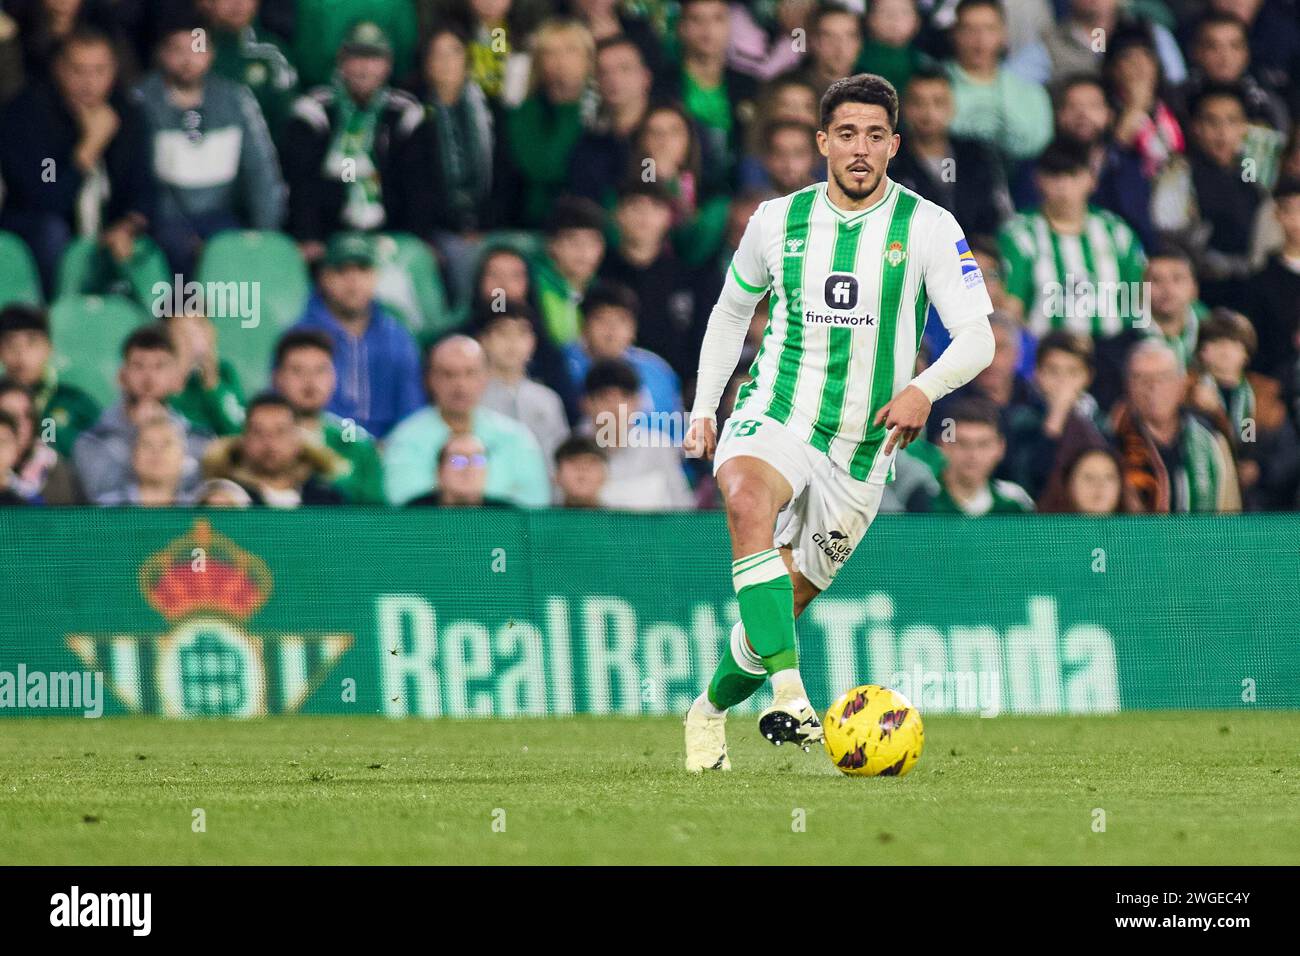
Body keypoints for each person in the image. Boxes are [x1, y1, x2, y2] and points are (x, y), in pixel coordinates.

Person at [680, 73, 995, 771]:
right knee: (745, 498)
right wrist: (705, 409)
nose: (860, 149)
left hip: (863, 448)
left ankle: (706, 711)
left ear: (894, 145)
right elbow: (732, 313)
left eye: (874, 136)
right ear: (822, 142)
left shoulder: (928, 227)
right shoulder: (775, 220)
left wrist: (923, 388)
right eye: (846, 134)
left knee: (781, 605)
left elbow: (978, 338)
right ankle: (791, 696)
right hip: (777, 410)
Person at [0, 27, 155, 294]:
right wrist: (88, 150)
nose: (89, 83)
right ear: (58, 69)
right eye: (78, 71)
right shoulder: (27, 116)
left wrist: (128, 225)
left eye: (99, 71)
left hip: (107, 228)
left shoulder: (127, 114)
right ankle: (51, 313)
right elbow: (45, 198)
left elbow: (142, 187)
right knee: (52, 231)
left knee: (167, 234)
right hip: (36, 228)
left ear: (114, 71)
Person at [132, 19, 285, 274]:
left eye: (197, 48)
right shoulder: (142, 101)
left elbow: (261, 170)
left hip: (221, 217)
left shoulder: (235, 98)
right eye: (177, 50)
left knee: (233, 255)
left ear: (211, 53)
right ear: (161, 54)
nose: (187, 59)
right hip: (165, 221)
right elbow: (138, 177)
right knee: (176, 250)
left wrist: (266, 234)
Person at [282, 21, 436, 257]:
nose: (364, 68)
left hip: (389, 235)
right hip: (327, 237)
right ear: (341, 61)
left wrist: (417, 239)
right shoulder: (313, 110)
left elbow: (418, 186)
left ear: (388, 64)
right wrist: (308, 236)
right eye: (356, 57)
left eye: (374, 58)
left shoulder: (406, 113)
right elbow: (301, 183)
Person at [998, 140, 1146, 336]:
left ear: (1092, 180)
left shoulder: (1117, 232)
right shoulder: (1019, 235)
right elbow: (1010, 306)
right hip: (1044, 355)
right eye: (1054, 176)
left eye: (1073, 175)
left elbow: (1138, 301)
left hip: (1111, 353)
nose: (1063, 186)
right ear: (1037, 180)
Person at [383, 335, 550, 507]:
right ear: (430, 380)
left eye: (470, 373)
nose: (460, 384)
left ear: (486, 377)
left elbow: (534, 505)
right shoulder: (406, 438)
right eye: (449, 374)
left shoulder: (517, 437)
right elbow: (402, 503)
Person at [289, 232, 424, 439]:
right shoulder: (299, 336)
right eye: (342, 271)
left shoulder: (397, 335)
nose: (353, 281)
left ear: (375, 276)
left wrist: (395, 446)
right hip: (319, 446)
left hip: (387, 451)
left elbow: (411, 408)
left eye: (362, 270)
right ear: (324, 277)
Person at [73, 325, 209, 503]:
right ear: (121, 376)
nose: (149, 378)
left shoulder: (198, 441)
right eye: (139, 366)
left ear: (176, 378)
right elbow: (102, 503)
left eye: (159, 366)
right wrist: (137, 433)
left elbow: (201, 504)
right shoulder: (92, 442)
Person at [1109, 339, 1242, 512]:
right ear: (1128, 386)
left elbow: (1231, 511)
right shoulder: (1111, 440)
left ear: (1181, 383)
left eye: (1163, 377)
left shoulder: (1211, 440)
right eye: (1141, 378)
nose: (1153, 387)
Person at [270, 329, 385, 504]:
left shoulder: (357, 445)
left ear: (334, 377)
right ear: (277, 377)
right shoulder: (258, 438)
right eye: (297, 370)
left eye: (320, 370)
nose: (310, 381)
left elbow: (376, 512)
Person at [578, 357, 694, 511]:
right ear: (586, 404)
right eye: (605, 398)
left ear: (637, 402)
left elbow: (682, 504)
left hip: (653, 532)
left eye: (624, 398)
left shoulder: (658, 445)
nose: (615, 407)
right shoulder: (573, 447)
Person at [201, 392, 345, 506]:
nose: (269, 442)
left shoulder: (326, 500)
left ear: (297, 439)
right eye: (258, 432)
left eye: (280, 432)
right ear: (243, 440)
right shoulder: (226, 500)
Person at [474, 301, 570, 471]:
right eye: (502, 333)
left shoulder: (548, 399)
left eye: (522, 333)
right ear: (483, 340)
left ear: (533, 341)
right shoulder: (472, 398)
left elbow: (561, 458)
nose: (513, 342)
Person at [0, 304, 100, 457]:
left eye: (31, 343)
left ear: (49, 347)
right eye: (11, 345)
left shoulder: (75, 403)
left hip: (62, 479)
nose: (21, 354)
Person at [926, 396, 1035, 514]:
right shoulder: (922, 497)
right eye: (962, 443)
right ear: (943, 446)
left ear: (1000, 447)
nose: (973, 455)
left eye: (983, 444)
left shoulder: (1015, 501)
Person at [96, 413, 195, 505]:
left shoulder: (198, 513)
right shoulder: (106, 510)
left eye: (166, 444)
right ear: (134, 454)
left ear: (183, 455)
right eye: (147, 444)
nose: (156, 451)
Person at [406, 433, 511, 507]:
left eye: (478, 460)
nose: (469, 468)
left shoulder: (509, 517)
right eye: (457, 461)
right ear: (439, 472)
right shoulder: (413, 515)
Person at [553, 433, 608, 507]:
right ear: (557, 476)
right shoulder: (541, 517)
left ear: (604, 476)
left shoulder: (618, 518)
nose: (582, 468)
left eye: (591, 462)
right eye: (573, 461)